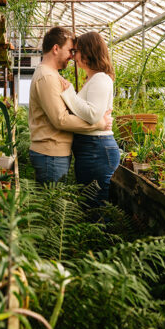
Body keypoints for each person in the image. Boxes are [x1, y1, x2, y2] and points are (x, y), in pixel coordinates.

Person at [28, 27, 112, 184]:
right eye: (70, 50)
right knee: (53, 205)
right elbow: (61, 120)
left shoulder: (52, 75)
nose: (72, 57)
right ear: (56, 48)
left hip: (53, 153)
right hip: (51, 153)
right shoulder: (47, 77)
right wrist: (99, 124)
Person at [58, 31, 119, 208]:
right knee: (89, 202)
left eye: (76, 51)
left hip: (96, 150)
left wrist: (69, 92)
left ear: (88, 52)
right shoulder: (93, 79)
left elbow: (92, 114)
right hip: (92, 149)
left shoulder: (100, 79)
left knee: (95, 205)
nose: (73, 56)